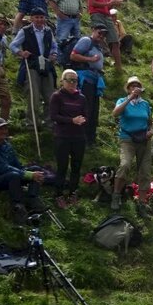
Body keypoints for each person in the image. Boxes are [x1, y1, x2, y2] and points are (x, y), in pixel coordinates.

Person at [0, 118, 45, 224]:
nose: (4, 131)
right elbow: (2, 167)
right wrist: (27, 175)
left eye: (5, 128)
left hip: (8, 175)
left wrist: (33, 174)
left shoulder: (7, 145)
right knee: (14, 175)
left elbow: (17, 165)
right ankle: (18, 207)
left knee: (36, 169)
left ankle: (32, 199)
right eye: (0, 129)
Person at [9, 7, 58, 129]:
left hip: (47, 65)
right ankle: (31, 123)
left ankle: (48, 122)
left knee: (50, 96)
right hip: (31, 65)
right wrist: (21, 53)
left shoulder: (48, 31)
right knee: (33, 95)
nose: (39, 20)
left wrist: (54, 54)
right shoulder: (25, 31)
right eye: (36, 17)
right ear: (31, 18)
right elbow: (13, 45)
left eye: (41, 17)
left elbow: (54, 45)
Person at [111, 77, 153, 215]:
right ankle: (116, 195)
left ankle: (142, 202)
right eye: (132, 86)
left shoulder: (145, 104)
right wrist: (129, 99)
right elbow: (115, 114)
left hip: (144, 140)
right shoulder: (122, 101)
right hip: (127, 138)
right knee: (125, 164)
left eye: (137, 85)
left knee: (145, 170)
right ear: (128, 88)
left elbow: (149, 121)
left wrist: (150, 131)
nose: (135, 88)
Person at [49, 68, 87, 208]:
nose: (72, 83)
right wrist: (72, 120)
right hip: (62, 136)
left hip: (78, 136)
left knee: (76, 166)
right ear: (62, 81)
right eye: (69, 80)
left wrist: (82, 120)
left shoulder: (82, 98)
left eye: (75, 80)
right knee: (62, 166)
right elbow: (54, 116)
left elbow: (86, 114)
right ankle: (58, 194)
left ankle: (73, 192)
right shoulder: (57, 96)